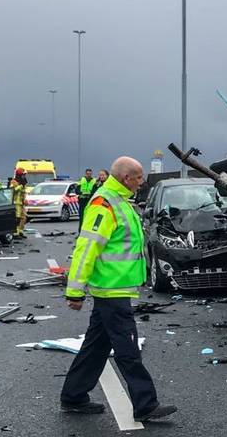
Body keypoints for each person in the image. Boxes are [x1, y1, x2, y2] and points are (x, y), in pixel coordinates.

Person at [60, 156, 175, 421]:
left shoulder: (119, 200)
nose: (142, 181)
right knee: (128, 350)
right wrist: (74, 290)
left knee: (96, 347)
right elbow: (86, 248)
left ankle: (73, 396)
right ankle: (146, 405)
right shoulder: (105, 204)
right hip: (112, 291)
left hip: (114, 288)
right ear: (126, 178)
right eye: (138, 177)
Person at [9, 168, 28, 237]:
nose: (24, 176)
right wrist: (20, 186)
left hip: (21, 203)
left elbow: (24, 193)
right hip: (15, 203)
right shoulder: (14, 181)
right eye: (23, 175)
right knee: (17, 217)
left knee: (24, 218)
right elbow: (12, 190)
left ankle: (20, 231)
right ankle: (15, 232)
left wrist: (25, 200)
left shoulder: (23, 183)